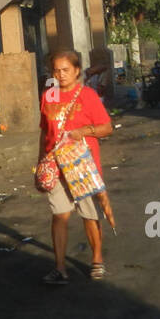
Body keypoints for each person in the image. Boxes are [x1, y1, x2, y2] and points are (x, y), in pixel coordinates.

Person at [37, 49, 114, 285]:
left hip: (82, 167)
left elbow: (107, 128)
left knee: (90, 216)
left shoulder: (88, 96)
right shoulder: (48, 97)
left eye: (66, 70)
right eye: (56, 71)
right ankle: (60, 268)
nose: (61, 75)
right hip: (56, 166)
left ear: (77, 70)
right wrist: (40, 162)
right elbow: (44, 132)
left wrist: (84, 132)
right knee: (59, 215)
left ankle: (97, 260)